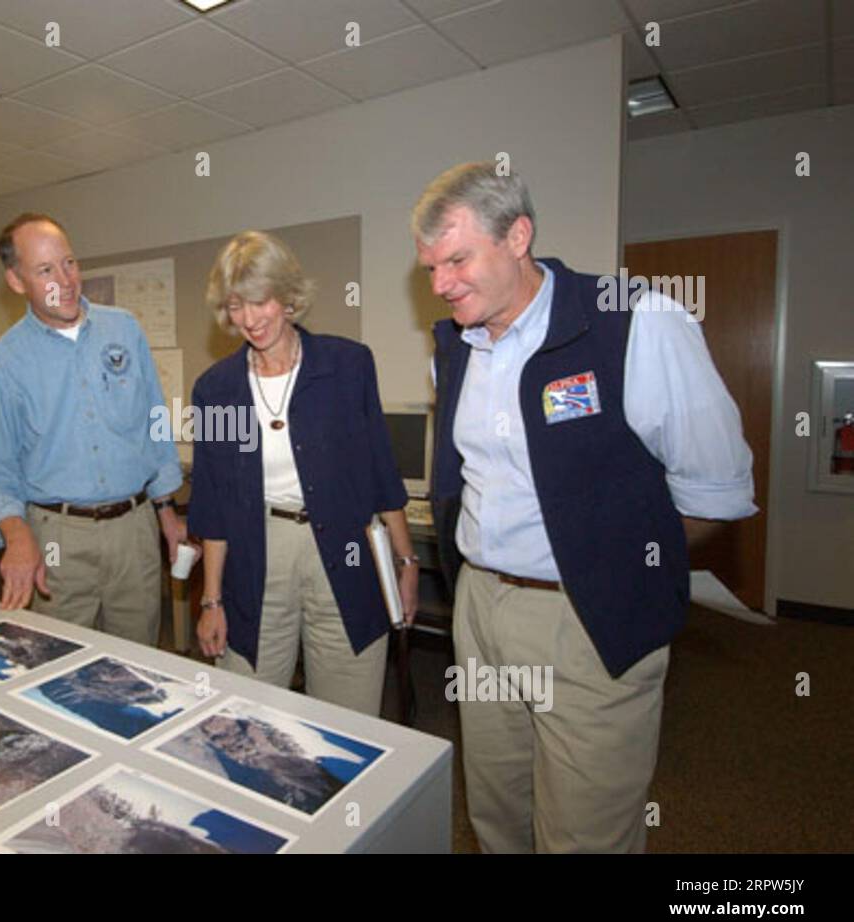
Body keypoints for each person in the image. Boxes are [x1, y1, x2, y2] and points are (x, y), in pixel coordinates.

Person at [415, 161, 755, 853]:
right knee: (496, 812)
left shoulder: (635, 322)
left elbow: (714, 490)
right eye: (428, 268)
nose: (441, 284)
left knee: (585, 834)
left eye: (456, 259)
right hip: (480, 608)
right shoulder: (454, 345)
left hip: (585, 614)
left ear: (518, 236)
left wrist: (618, 561)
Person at [189, 230, 419, 716]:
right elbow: (212, 506)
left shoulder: (347, 366)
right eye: (235, 306)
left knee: (348, 714)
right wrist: (211, 602)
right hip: (256, 554)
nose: (249, 319)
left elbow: (382, 472)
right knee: (245, 712)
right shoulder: (216, 389)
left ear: (288, 297)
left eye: (259, 301)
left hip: (345, 547)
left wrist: (406, 563)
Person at [0, 212, 185, 647]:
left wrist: (167, 512)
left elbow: (153, 423)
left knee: (140, 663)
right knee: (60, 665)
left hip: (134, 529)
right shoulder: (2, 364)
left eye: (69, 263)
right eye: (45, 270)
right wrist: (17, 536)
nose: (64, 280)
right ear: (16, 281)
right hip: (56, 537)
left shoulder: (123, 328)